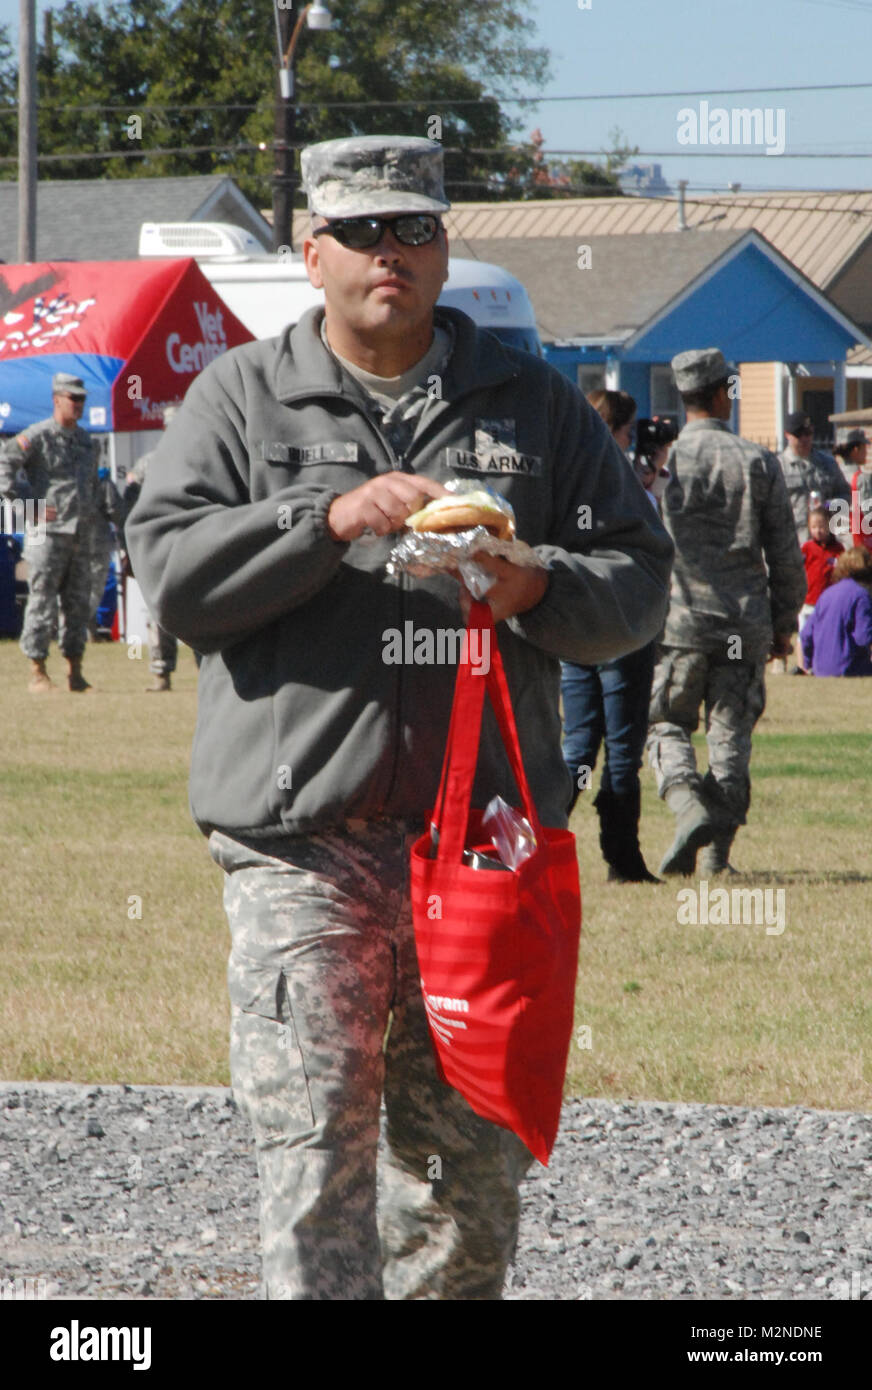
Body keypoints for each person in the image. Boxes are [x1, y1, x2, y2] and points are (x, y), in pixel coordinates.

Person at [127, 134, 672, 1301]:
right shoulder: (243, 396)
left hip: (481, 849)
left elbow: (636, 580)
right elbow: (171, 574)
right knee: (314, 1156)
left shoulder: (530, 404)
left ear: (442, 245)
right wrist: (325, 520)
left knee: (466, 1182)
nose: (390, 252)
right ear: (310, 251)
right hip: (303, 851)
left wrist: (532, 585)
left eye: (413, 229)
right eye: (362, 231)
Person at [647, 348, 805, 877]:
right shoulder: (757, 461)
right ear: (721, 394)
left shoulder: (665, 466)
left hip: (680, 622)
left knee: (666, 723)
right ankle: (717, 856)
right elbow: (785, 555)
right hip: (743, 622)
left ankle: (686, 806)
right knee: (730, 738)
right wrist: (783, 624)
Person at [560, 389, 661, 883]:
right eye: (629, 430)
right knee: (622, 750)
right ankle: (623, 859)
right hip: (621, 622)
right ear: (617, 430)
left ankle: (535, 840)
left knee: (578, 745)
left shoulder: (567, 470)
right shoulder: (622, 482)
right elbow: (650, 547)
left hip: (575, 622)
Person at [0, 373, 98, 692]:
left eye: (82, 399)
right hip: (45, 532)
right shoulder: (37, 436)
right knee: (42, 599)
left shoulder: (87, 441)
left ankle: (75, 671)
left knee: (77, 603)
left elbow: (92, 485)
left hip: (79, 532)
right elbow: (4, 464)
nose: (79, 404)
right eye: (73, 398)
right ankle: (37, 671)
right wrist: (27, 506)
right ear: (57, 399)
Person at [122, 408, 180, 691]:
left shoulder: (206, 458)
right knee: (158, 610)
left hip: (194, 542)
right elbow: (130, 503)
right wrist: (132, 545)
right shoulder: (148, 464)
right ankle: (161, 673)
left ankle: (211, 672)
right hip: (160, 546)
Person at [778, 410, 850, 544]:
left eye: (808, 433)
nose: (804, 439)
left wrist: (828, 504)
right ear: (787, 435)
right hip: (793, 542)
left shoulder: (827, 463)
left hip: (826, 543)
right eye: (799, 434)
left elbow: (846, 495)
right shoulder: (778, 467)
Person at [800, 546, 872, 677]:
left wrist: (808, 663)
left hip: (820, 669)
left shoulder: (826, 594)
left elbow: (806, 634)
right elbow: (863, 637)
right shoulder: (861, 596)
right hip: (850, 668)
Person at [793, 505, 843, 673]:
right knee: (803, 634)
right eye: (814, 527)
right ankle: (802, 667)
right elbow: (797, 570)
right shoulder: (806, 548)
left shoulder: (838, 550)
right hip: (807, 600)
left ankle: (819, 665)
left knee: (823, 635)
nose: (818, 531)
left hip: (827, 603)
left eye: (822, 526)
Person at [834, 429, 872, 555]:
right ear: (856, 449)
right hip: (860, 542)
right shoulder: (862, 479)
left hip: (837, 541)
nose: (866, 452)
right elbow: (868, 513)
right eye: (864, 447)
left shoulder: (834, 474)